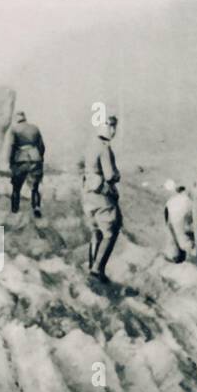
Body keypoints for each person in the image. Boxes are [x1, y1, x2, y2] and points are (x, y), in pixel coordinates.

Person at [82, 115, 121, 282]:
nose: (114, 130)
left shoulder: (91, 145)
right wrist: (117, 176)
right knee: (110, 231)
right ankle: (97, 269)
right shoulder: (104, 148)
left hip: (88, 193)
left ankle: (92, 266)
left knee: (95, 231)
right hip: (102, 194)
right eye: (113, 126)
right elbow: (110, 175)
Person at [1, 110, 45, 216]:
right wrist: (40, 158)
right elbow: (42, 146)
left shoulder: (14, 129)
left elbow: (11, 146)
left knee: (16, 187)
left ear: (16, 119)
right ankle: (36, 207)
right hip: (35, 159)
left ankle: (15, 210)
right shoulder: (35, 128)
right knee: (35, 187)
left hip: (20, 160)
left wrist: (11, 162)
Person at [162, 179, 194, 263]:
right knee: (186, 241)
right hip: (184, 209)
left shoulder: (172, 201)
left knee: (174, 236)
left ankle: (174, 254)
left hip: (174, 209)